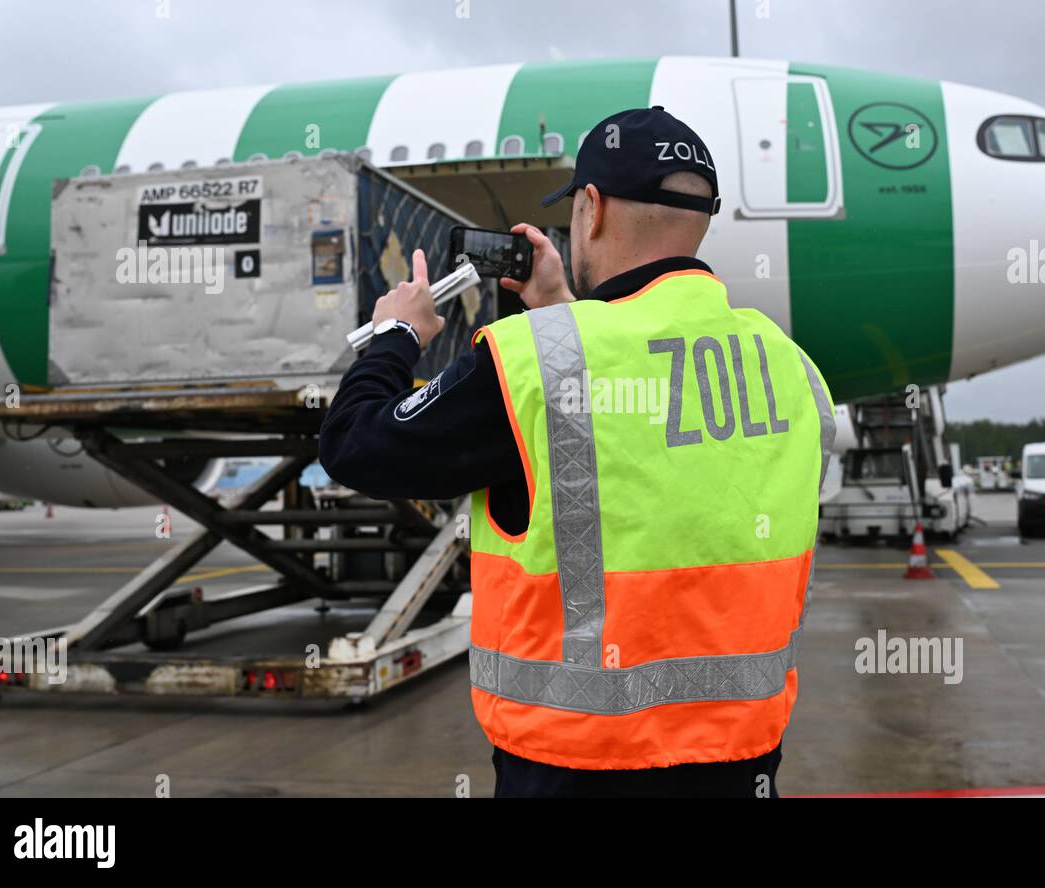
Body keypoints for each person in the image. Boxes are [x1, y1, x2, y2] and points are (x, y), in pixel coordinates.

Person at [319, 106, 836, 796]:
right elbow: (665, 464)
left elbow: (356, 445)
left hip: (574, 767)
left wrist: (396, 335)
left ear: (591, 209)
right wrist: (559, 306)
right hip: (744, 762)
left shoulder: (536, 363)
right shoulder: (792, 368)